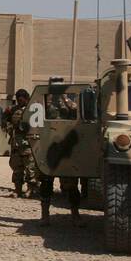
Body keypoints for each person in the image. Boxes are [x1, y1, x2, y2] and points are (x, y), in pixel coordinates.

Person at [39, 92, 82, 226]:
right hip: (49, 149)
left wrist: (65, 99)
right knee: (46, 184)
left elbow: (76, 110)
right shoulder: (45, 105)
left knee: (72, 186)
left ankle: (75, 216)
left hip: (66, 150)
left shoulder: (69, 105)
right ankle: (45, 216)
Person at [4, 89, 38, 198]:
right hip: (16, 143)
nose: (19, 101)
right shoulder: (13, 110)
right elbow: (6, 122)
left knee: (30, 168)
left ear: (27, 98)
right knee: (17, 168)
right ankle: (17, 189)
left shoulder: (33, 110)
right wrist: (10, 129)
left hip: (29, 144)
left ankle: (30, 189)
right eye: (18, 99)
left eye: (21, 99)